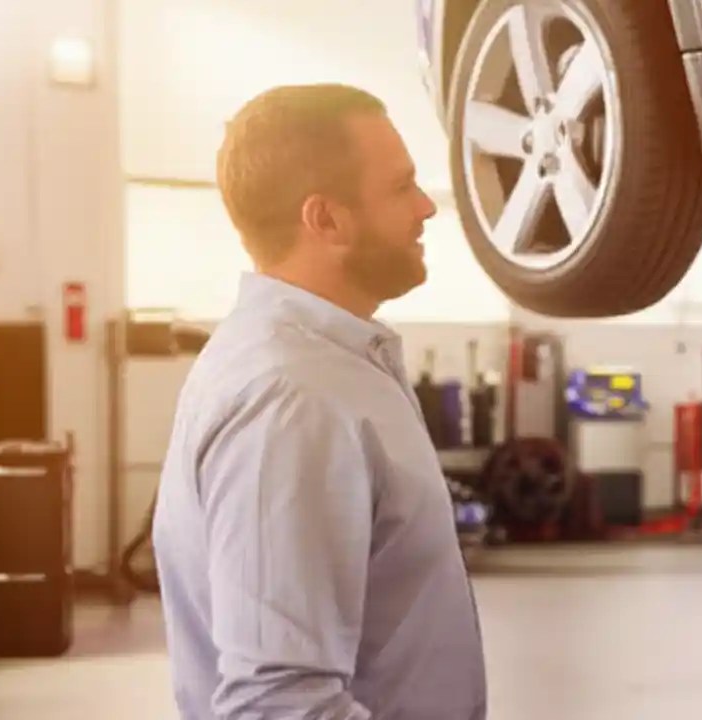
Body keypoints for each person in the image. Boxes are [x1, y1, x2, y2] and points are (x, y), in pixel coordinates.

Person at [152, 83, 487, 720]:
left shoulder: (330, 367)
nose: (426, 208)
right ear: (325, 219)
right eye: (400, 188)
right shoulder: (291, 396)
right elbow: (278, 704)